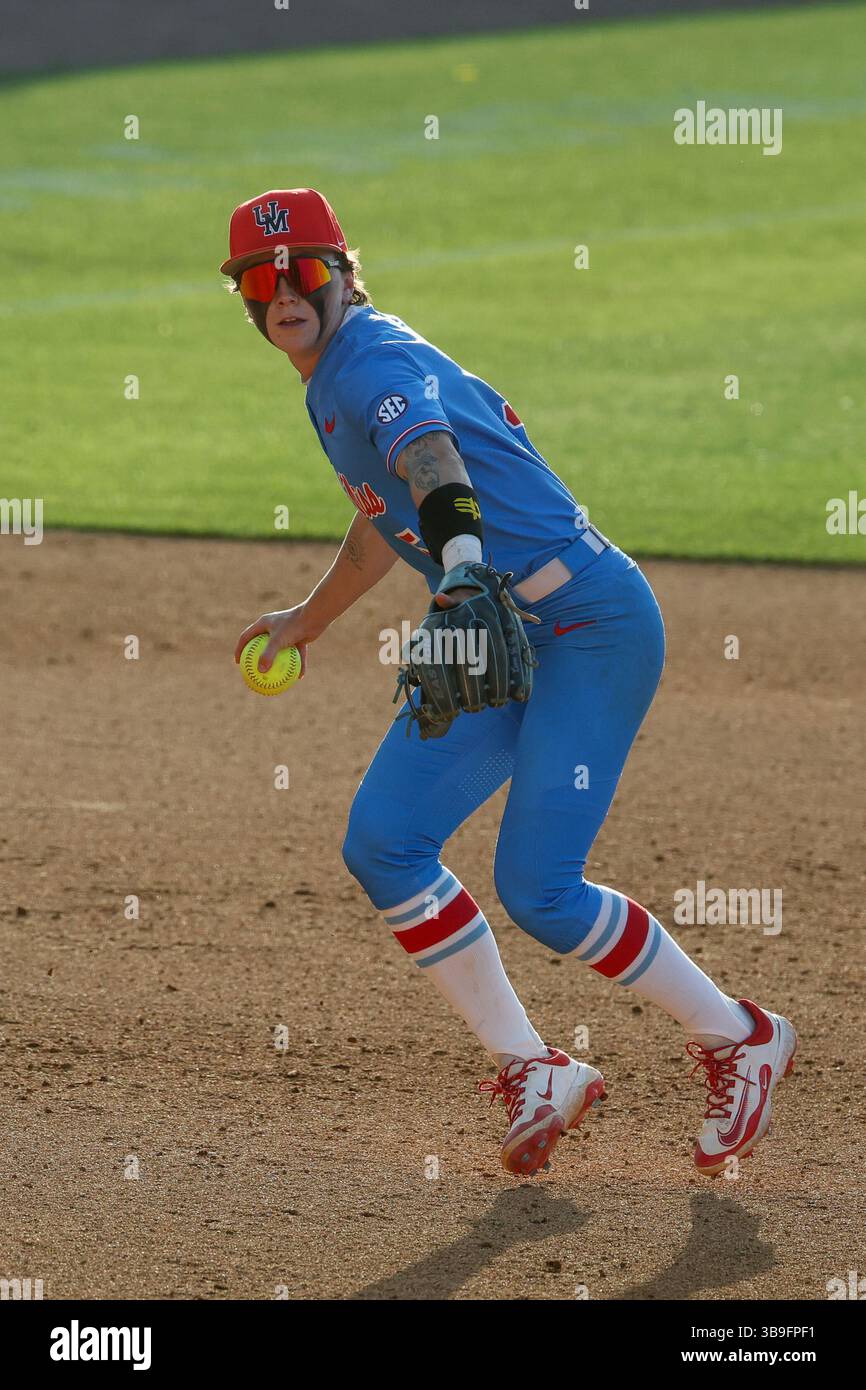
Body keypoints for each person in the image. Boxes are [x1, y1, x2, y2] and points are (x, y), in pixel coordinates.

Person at [224, 188, 796, 1178]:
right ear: (242, 298)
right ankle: (533, 1068)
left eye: (304, 268)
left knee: (538, 887)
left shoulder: (376, 360)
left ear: (343, 272)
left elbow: (432, 461)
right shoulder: (329, 383)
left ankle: (740, 1034)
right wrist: (307, 621)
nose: (285, 289)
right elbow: (381, 514)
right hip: (491, 622)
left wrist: (453, 566)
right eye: (261, 277)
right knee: (384, 842)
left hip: (586, 624)